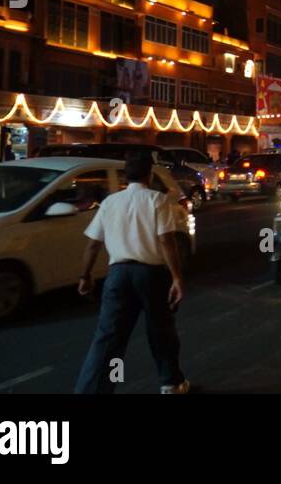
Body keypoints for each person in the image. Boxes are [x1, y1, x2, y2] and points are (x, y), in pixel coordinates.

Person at [74, 151, 189, 394]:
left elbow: (93, 243)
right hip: (152, 275)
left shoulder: (110, 203)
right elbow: (166, 241)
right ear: (149, 174)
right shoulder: (158, 201)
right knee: (161, 330)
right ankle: (171, 383)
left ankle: (91, 391)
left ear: (127, 176)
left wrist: (85, 276)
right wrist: (177, 277)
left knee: (107, 337)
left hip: (117, 276)